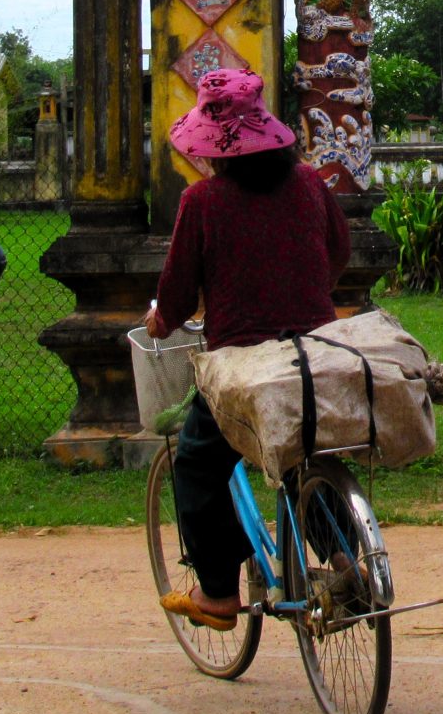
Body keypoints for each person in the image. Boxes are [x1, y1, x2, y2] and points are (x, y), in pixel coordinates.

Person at [146, 68, 353, 630]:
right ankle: (344, 559)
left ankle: (216, 592)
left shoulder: (203, 201)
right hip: (314, 352)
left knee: (195, 461)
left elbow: (178, 292)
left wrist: (162, 321)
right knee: (300, 454)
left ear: (212, 146)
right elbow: (337, 253)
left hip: (243, 365)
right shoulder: (310, 184)